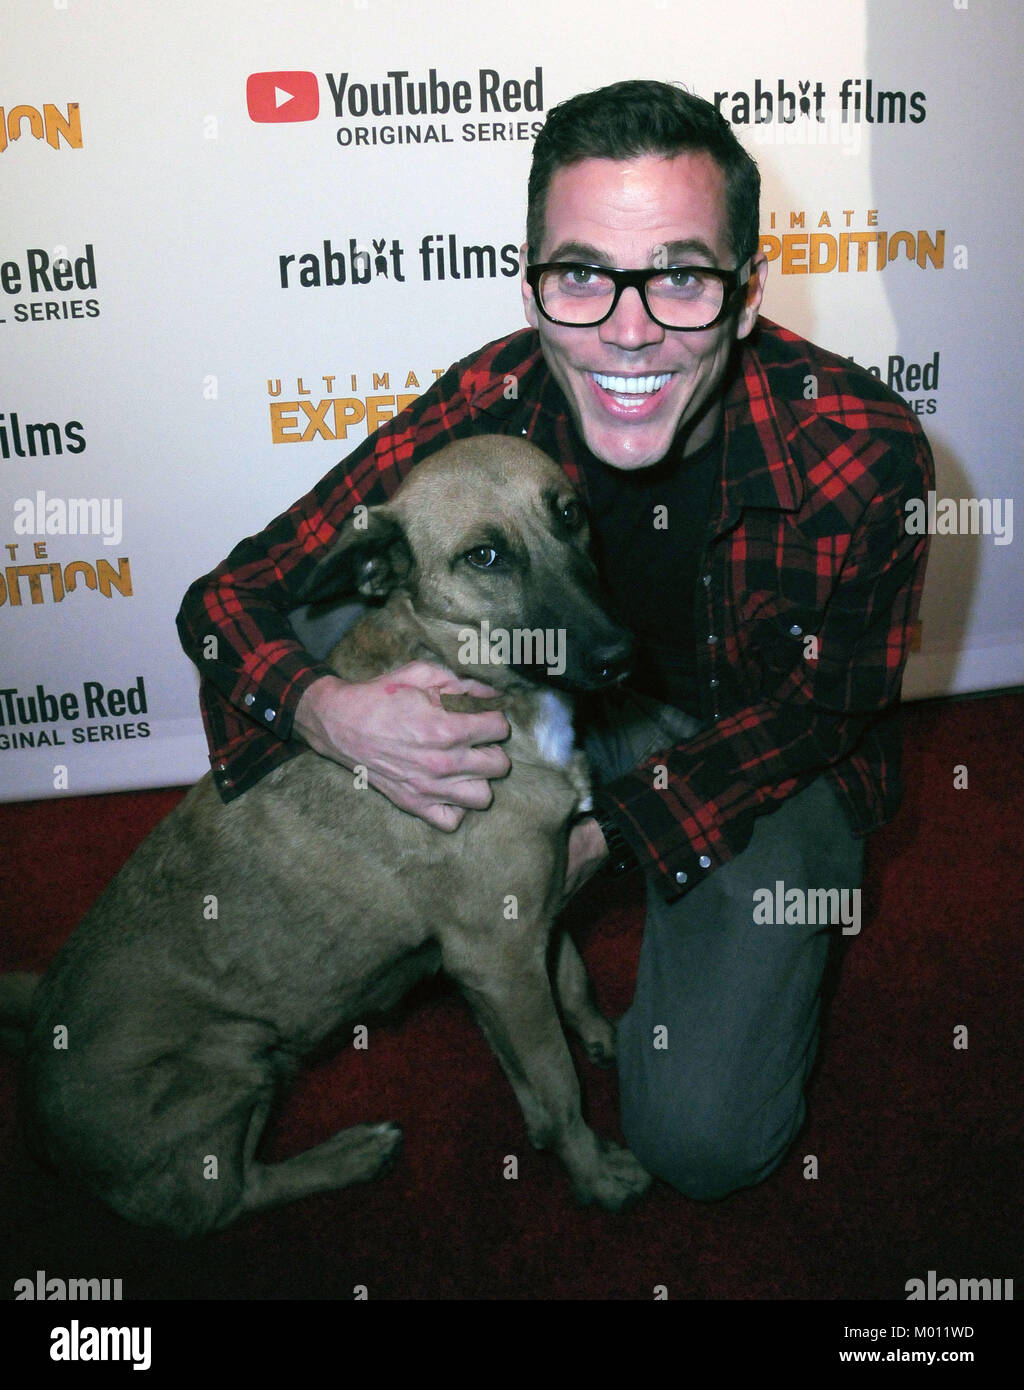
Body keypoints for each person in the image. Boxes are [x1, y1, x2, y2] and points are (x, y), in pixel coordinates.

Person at [177, 79, 932, 1201]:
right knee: (356, 594)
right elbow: (229, 598)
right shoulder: (498, 392)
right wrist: (331, 713)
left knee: (704, 1147)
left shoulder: (864, 452)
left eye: (679, 275)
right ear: (532, 291)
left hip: (757, 755)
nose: (626, 332)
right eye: (581, 275)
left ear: (744, 293)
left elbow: (823, 714)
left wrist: (599, 833)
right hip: (563, 706)